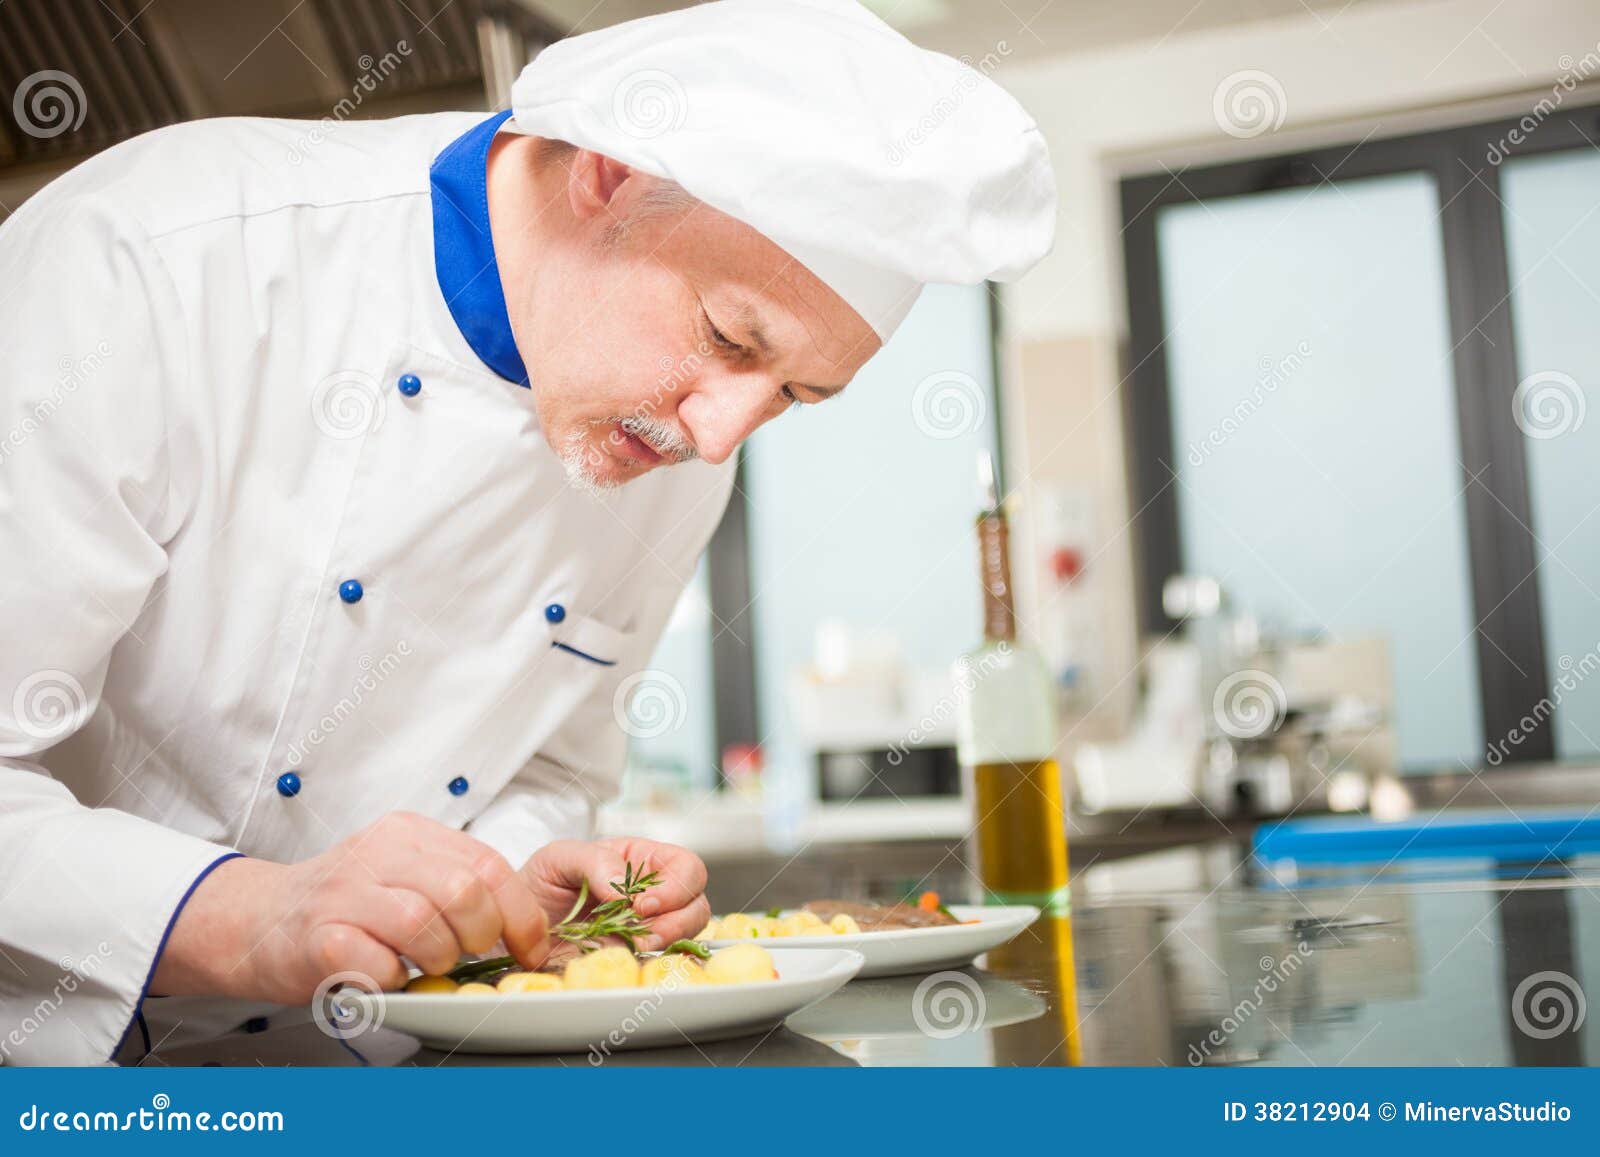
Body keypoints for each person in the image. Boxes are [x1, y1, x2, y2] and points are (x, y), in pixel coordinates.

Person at [0, 0, 1054, 1063]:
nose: (723, 434)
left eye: (796, 394)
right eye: (730, 335)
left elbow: (551, 763)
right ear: (605, 174)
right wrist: (244, 916)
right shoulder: (159, 258)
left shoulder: (672, 450)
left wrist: (517, 886)